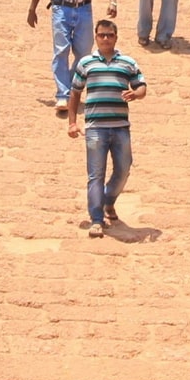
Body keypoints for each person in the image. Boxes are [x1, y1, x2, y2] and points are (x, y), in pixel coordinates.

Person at [67, 19, 147, 238]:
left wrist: (135, 94)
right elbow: (75, 93)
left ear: (115, 37)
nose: (105, 39)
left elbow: (141, 87)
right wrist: (72, 122)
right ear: (95, 37)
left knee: (123, 169)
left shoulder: (128, 63)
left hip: (121, 127)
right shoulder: (86, 63)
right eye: (101, 35)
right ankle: (96, 219)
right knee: (96, 174)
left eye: (109, 35)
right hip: (95, 128)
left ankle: (108, 200)